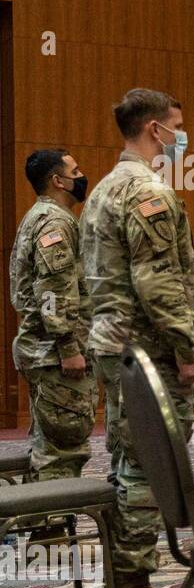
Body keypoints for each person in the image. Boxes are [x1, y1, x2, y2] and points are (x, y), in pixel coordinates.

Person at [81, 88, 194, 588]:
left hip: (114, 344)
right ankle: (131, 587)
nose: (181, 137)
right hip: (147, 348)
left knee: (127, 460)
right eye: (176, 127)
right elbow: (157, 282)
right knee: (148, 468)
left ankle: (124, 581)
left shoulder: (105, 189)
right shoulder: (148, 191)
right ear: (155, 130)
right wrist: (187, 347)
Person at [10, 150, 95, 482]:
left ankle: (40, 527)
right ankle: (52, 530)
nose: (82, 175)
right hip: (56, 357)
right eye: (76, 170)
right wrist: (69, 347)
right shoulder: (55, 221)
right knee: (63, 452)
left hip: (44, 353)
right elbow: (54, 289)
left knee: (48, 446)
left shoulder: (40, 217)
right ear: (58, 181)